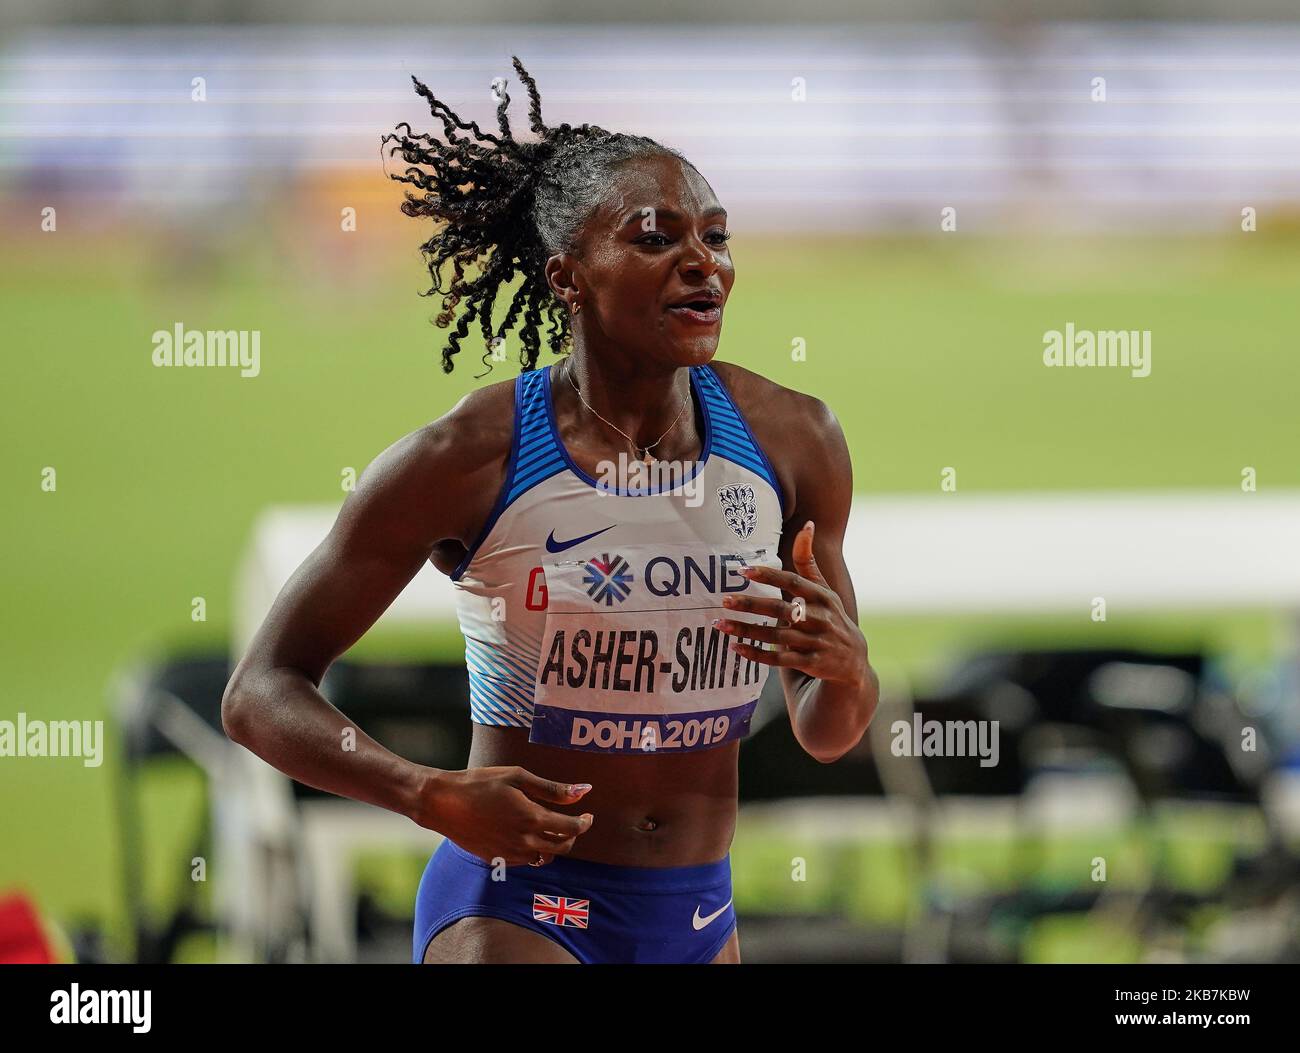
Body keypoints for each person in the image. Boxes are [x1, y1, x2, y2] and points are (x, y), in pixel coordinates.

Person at [221, 57, 878, 965]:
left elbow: (829, 730)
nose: (704, 263)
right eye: (655, 239)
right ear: (569, 279)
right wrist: (424, 791)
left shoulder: (796, 439)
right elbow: (260, 690)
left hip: (698, 913)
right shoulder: (467, 456)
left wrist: (847, 671)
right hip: (517, 907)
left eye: (716, 237)